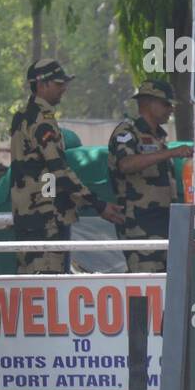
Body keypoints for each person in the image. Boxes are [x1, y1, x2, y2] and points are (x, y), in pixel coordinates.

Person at [9, 58, 123, 273]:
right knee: (47, 287)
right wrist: (98, 205)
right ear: (42, 85)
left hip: (32, 216)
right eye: (59, 84)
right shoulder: (41, 119)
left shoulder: (25, 116)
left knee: (33, 285)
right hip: (45, 218)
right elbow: (58, 170)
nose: (64, 89)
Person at [107, 79, 191, 272]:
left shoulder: (159, 137)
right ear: (146, 102)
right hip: (139, 225)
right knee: (145, 286)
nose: (171, 109)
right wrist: (171, 153)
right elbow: (126, 164)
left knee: (167, 287)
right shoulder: (127, 132)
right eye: (166, 104)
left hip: (165, 224)